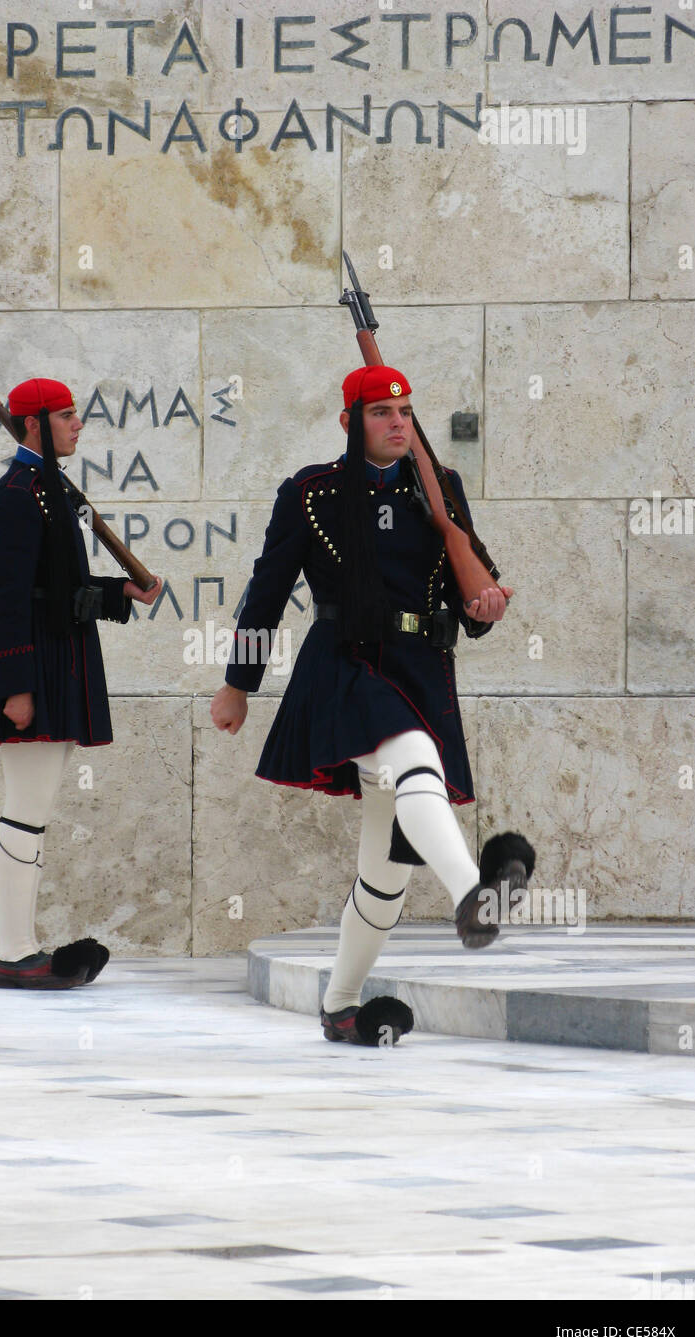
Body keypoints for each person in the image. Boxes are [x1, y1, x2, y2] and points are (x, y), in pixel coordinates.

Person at [211, 364, 534, 1045]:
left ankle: (342, 1005)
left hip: (421, 668)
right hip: (347, 664)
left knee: (385, 868)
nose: (396, 423)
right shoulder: (312, 493)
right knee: (414, 759)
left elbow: (468, 593)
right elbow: (264, 590)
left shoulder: (437, 490)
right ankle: (472, 894)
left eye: (406, 413)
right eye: (381, 413)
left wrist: (485, 606)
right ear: (348, 423)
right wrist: (239, 680)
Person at [0, 377, 161, 989]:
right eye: (67, 415)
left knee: (30, 809)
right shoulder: (17, 493)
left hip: (59, 654)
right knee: (25, 810)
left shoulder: (48, 489)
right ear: (34, 423)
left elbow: (64, 584)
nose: (79, 424)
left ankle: (20, 949)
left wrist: (122, 590)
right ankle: (15, 954)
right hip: (33, 660)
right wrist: (16, 685)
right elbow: (6, 597)